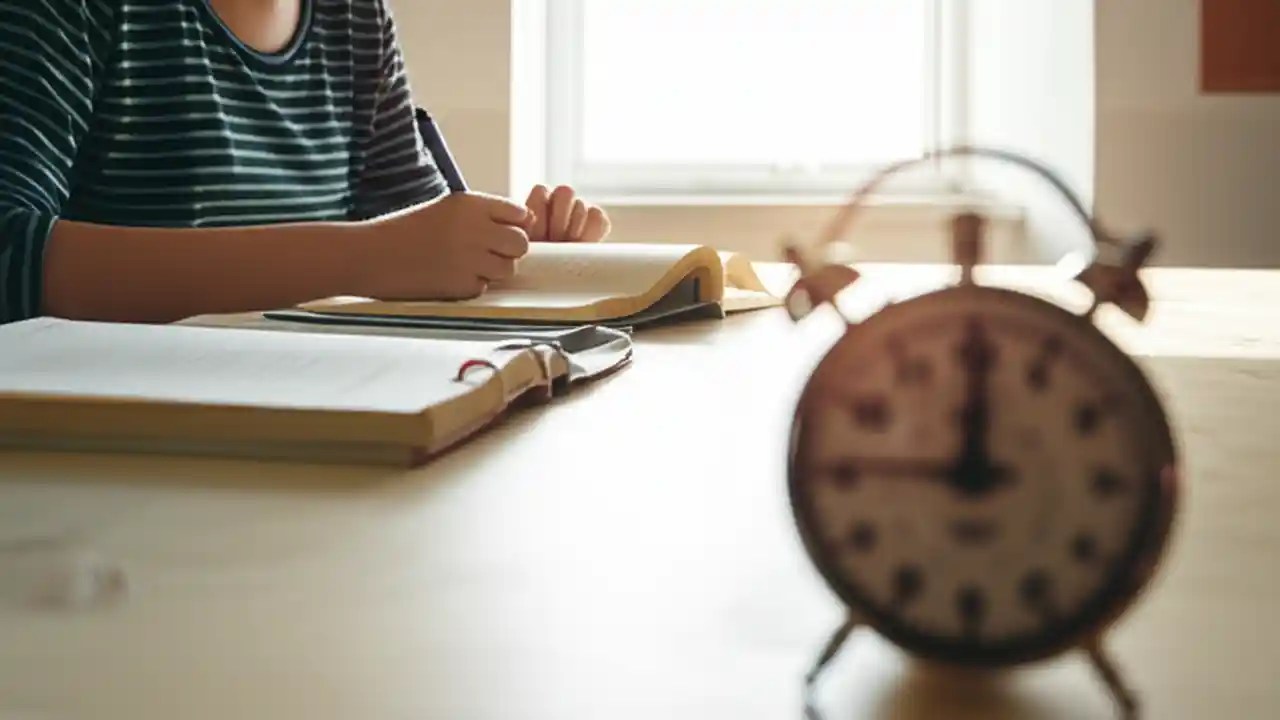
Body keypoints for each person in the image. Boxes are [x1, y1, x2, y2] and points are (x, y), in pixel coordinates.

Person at [0, 0, 611, 325]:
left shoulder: (354, 16)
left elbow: (416, 246)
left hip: (325, 428)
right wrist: (363, 257)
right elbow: (11, 256)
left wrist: (513, 251)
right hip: (115, 449)